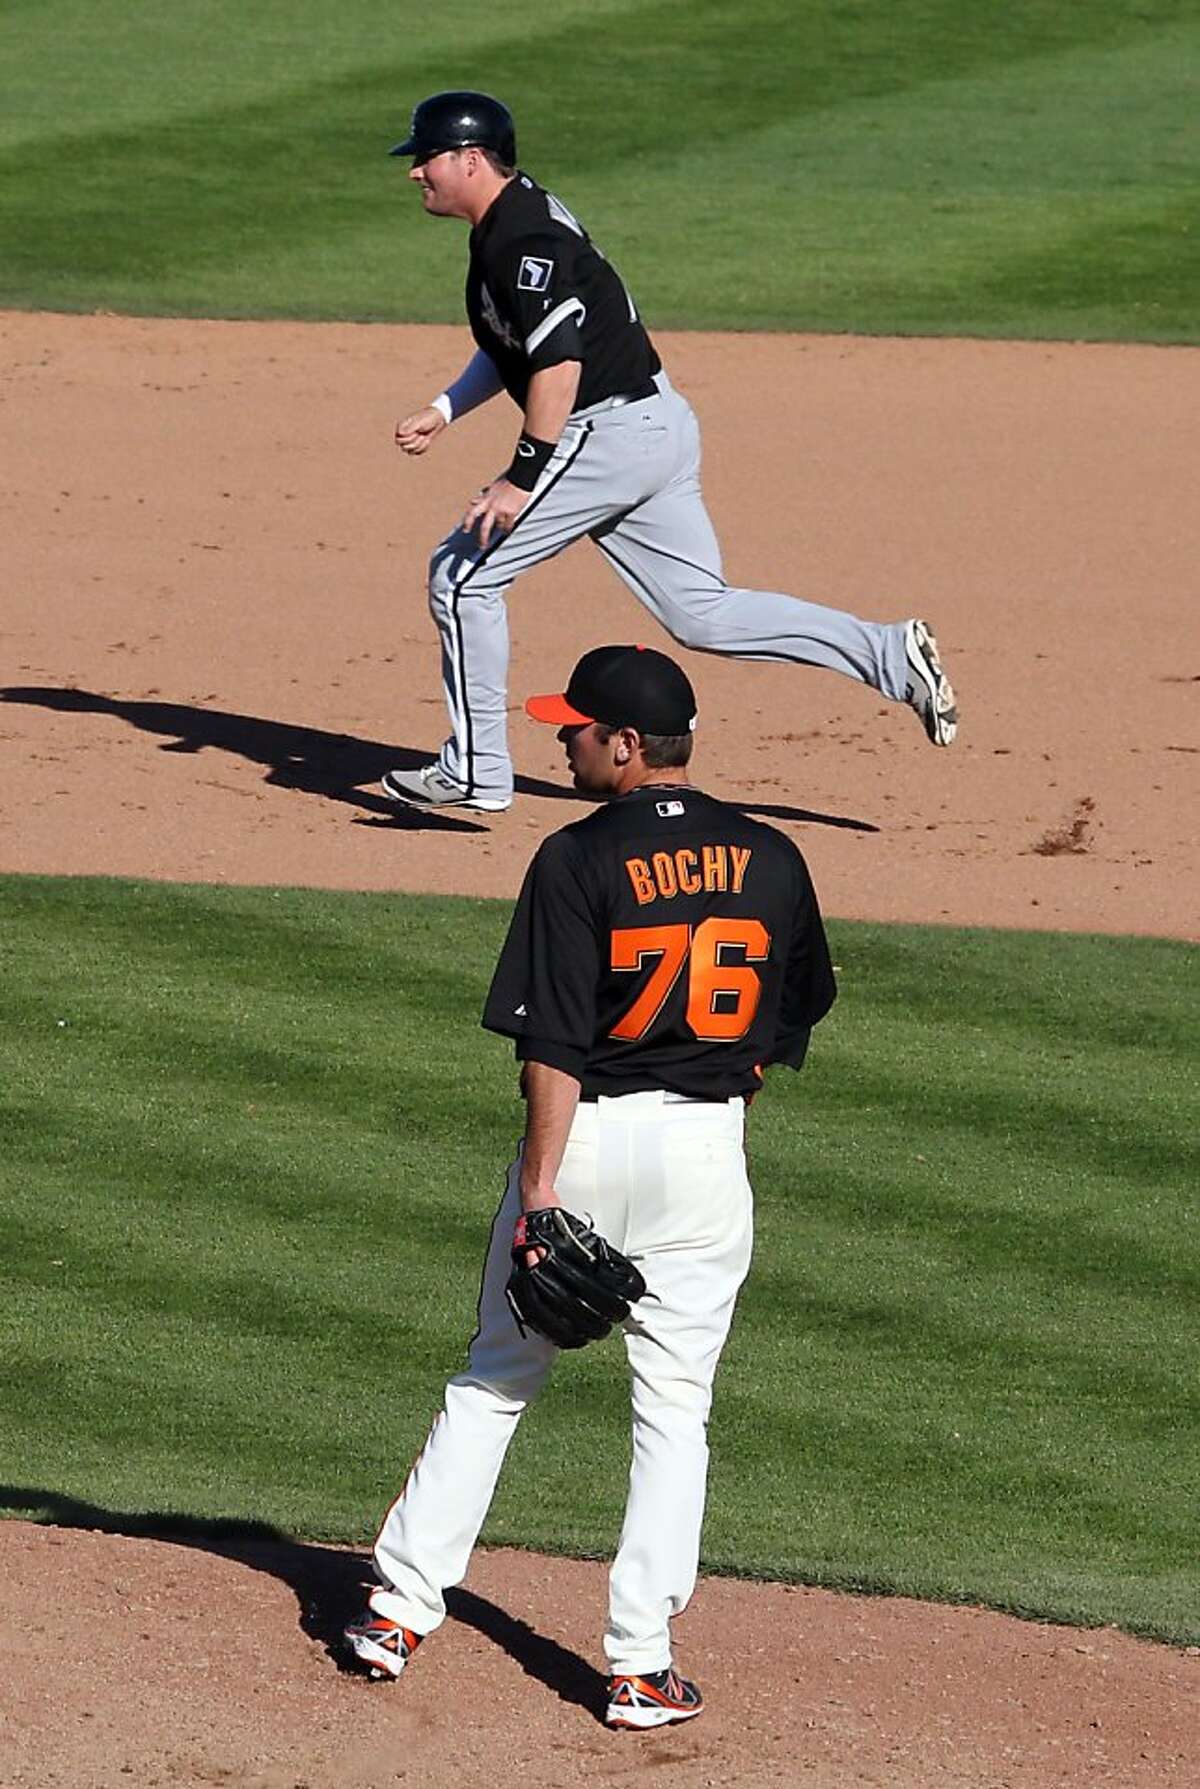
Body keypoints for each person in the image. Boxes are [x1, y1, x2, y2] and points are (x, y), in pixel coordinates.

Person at [345, 642, 837, 1727]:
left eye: (574, 728)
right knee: (676, 1409)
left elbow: (553, 1048)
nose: (559, 740)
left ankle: (395, 1610)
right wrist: (720, 1104)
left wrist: (539, 1191)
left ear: (625, 743)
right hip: (709, 1155)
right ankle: (639, 1664)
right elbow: (795, 1011)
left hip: (594, 1141)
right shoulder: (774, 855)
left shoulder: (575, 858)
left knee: (497, 1375)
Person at [379, 91, 958, 816]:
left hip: (606, 435)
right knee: (703, 614)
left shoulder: (521, 238)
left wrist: (520, 477)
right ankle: (887, 653)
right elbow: (516, 343)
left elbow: (558, 365)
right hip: (657, 424)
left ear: (469, 160)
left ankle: (475, 770)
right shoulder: (512, 220)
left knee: (461, 577)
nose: (414, 174)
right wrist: (444, 409)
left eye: (424, 158)